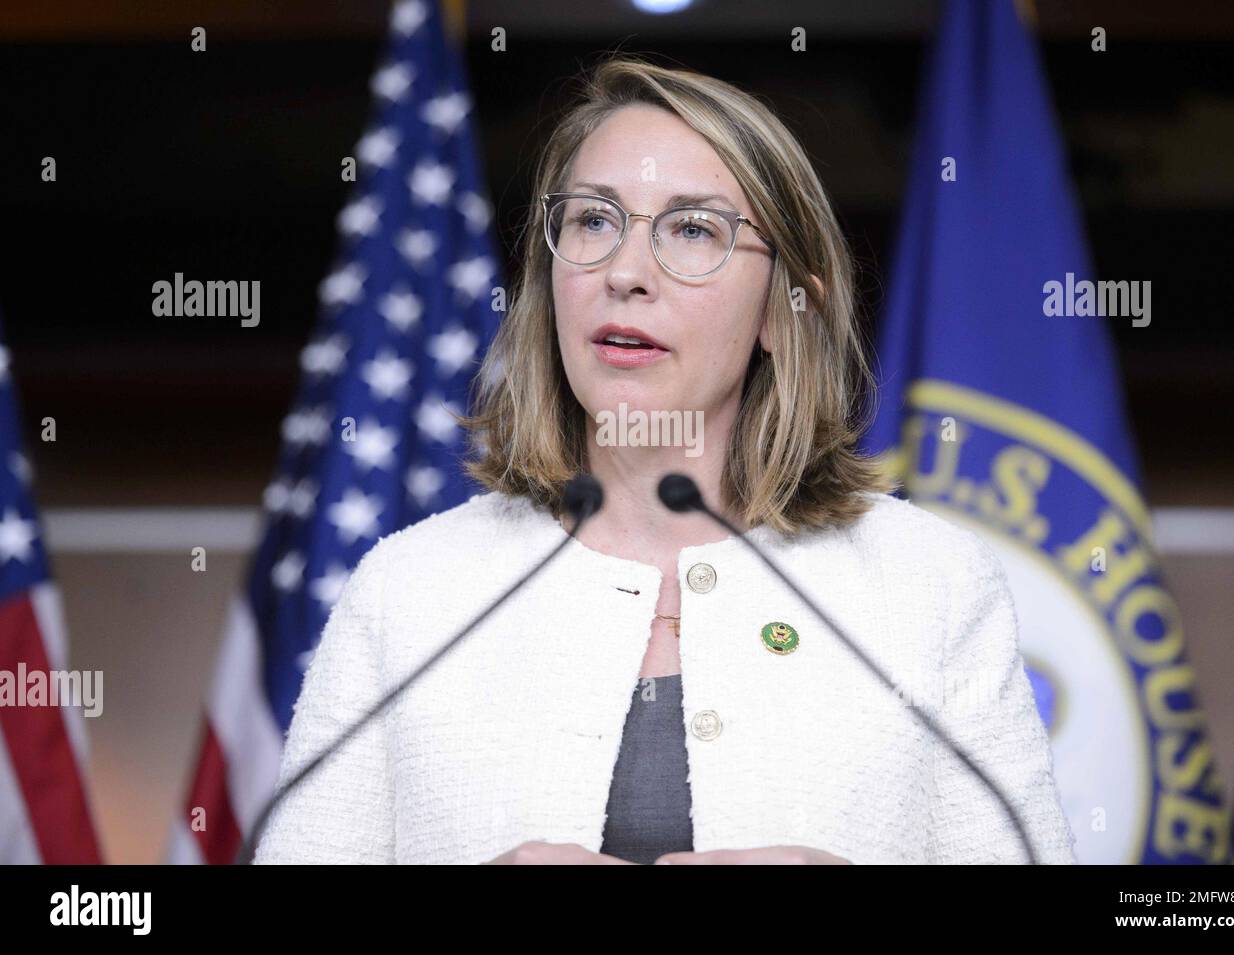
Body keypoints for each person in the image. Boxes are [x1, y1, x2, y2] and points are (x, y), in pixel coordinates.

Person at [253, 54, 1077, 865]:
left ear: (786, 310)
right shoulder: (406, 593)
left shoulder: (931, 586)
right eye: (593, 220)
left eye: (692, 229)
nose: (625, 272)